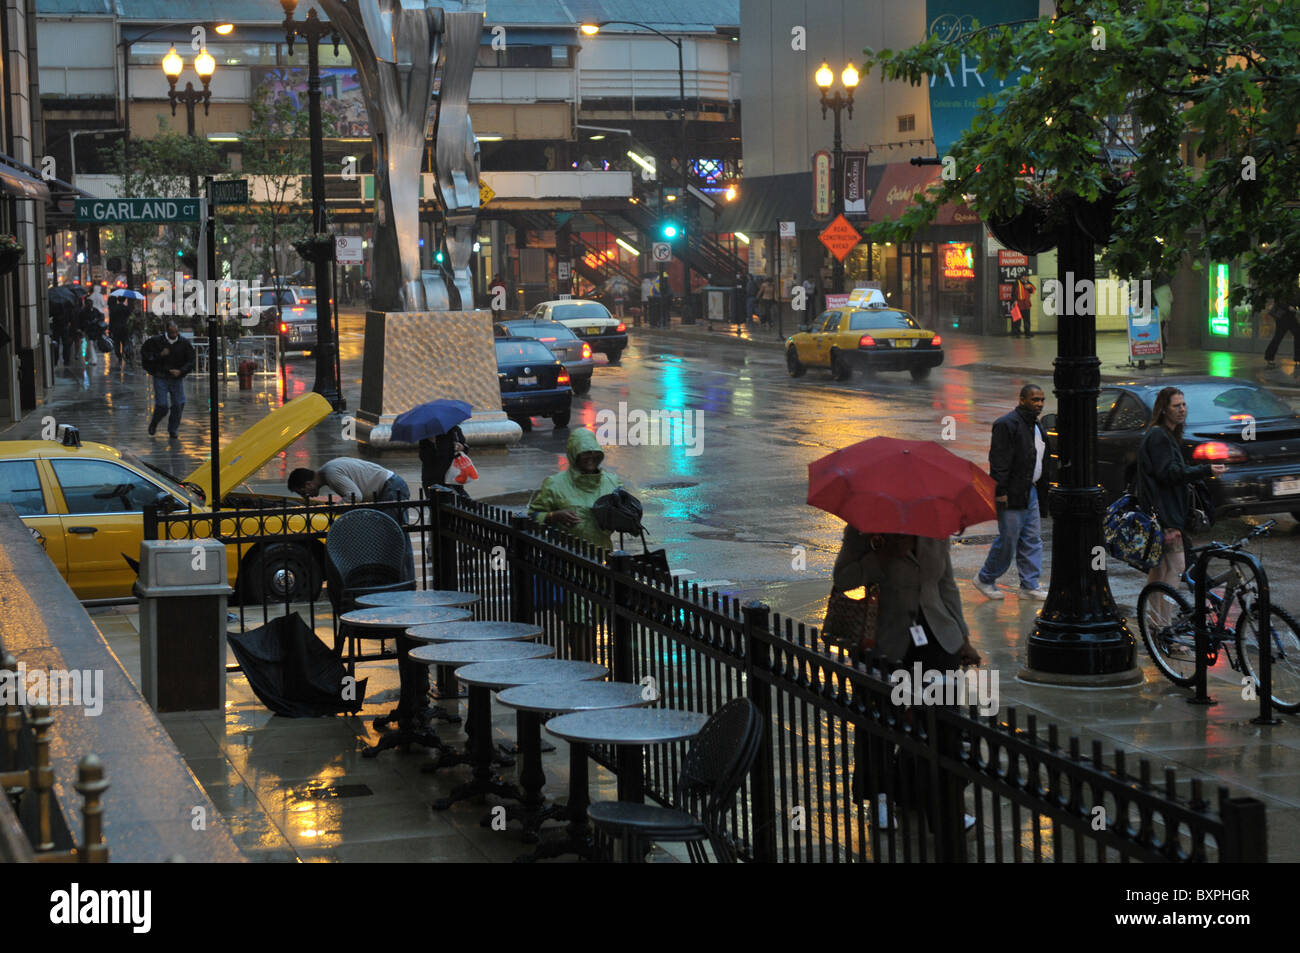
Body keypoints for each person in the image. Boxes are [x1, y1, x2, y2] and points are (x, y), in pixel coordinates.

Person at [833, 528, 980, 829]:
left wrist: (962, 637)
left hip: (937, 638)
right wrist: (881, 558)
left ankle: (943, 802)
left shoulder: (934, 528)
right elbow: (843, 578)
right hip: (886, 641)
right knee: (879, 723)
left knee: (943, 724)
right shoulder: (866, 529)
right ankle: (880, 796)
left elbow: (946, 585)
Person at [528, 428, 624, 659]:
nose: (590, 458)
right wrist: (553, 517)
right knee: (579, 619)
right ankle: (585, 665)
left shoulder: (612, 482)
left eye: (594, 453)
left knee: (594, 617)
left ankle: (586, 665)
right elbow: (531, 517)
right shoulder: (554, 484)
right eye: (584, 454)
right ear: (573, 455)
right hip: (568, 564)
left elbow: (626, 517)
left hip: (601, 562)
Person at [1137, 387, 1227, 591]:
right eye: (1176, 406)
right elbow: (1169, 473)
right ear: (1163, 410)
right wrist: (1206, 469)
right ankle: (1163, 621)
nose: (1182, 409)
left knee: (1159, 568)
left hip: (1163, 515)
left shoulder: (1165, 435)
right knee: (1177, 567)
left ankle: (1153, 620)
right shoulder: (1159, 436)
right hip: (1165, 516)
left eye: (1184, 405)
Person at [973, 384, 1049, 601]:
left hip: (1030, 491)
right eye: (1035, 400)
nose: (1040, 404)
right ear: (1022, 399)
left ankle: (1029, 585)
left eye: (1042, 400)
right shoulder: (1006, 424)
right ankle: (985, 578)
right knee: (1009, 539)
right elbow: (999, 461)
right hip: (1011, 492)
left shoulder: (1036, 425)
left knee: (1032, 538)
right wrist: (1001, 491)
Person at [140, 321, 195, 438]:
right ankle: (154, 422)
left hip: (176, 377)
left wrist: (181, 371)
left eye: (176, 332)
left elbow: (190, 360)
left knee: (178, 404)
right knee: (162, 405)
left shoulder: (184, 343)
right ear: (167, 331)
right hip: (161, 376)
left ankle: (173, 429)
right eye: (171, 332)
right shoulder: (156, 341)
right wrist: (159, 355)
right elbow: (146, 355)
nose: (174, 335)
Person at [289, 458, 410, 508]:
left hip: (392, 488)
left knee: (394, 537)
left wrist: (334, 509)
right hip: (389, 486)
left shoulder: (330, 474)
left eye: (302, 493)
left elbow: (355, 497)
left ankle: (404, 563)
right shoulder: (328, 471)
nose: (305, 497)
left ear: (308, 484)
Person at [419, 425, 469, 499]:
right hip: (433, 478)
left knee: (461, 503)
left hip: (453, 474)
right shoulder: (427, 433)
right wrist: (432, 443)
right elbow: (425, 458)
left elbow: (464, 447)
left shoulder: (454, 429)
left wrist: (462, 447)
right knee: (436, 505)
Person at [1264, 299, 1300, 366]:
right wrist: (1288, 307)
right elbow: (1279, 301)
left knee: (1297, 335)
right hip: (1283, 317)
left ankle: (1269, 357)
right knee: (1278, 337)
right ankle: (1269, 357)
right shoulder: (1284, 290)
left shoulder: (1294, 290)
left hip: (1290, 316)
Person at [78, 296, 104, 366]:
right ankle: (93, 359)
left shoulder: (85, 311)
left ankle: (87, 357)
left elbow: (101, 317)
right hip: (88, 330)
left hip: (92, 330)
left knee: (90, 344)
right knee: (91, 344)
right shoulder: (85, 312)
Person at [108, 295, 131, 363]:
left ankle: (119, 356)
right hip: (124, 328)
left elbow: (111, 320)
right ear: (124, 300)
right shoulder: (126, 308)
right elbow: (129, 318)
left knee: (117, 343)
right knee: (125, 342)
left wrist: (110, 329)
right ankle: (125, 354)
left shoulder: (114, 308)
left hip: (116, 329)